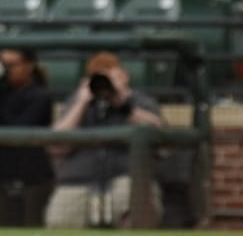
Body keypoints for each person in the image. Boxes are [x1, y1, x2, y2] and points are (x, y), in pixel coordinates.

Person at [45, 52, 165, 228]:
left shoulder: (140, 101)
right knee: (59, 222)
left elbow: (160, 137)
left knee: (132, 210)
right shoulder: (78, 101)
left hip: (128, 177)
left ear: (124, 76)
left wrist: (123, 103)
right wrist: (81, 102)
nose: (104, 85)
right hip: (79, 180)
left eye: (109, 78)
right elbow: (56, 146)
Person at [0, 49, 55, 227]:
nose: (7, 70)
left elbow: (20, 129)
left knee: (31, 227)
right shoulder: (0, 90)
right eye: (4, 65)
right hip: (1, 174)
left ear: (29, 65)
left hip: (32, 176)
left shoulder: (40, 95)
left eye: (12, 65)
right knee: (5, 227)